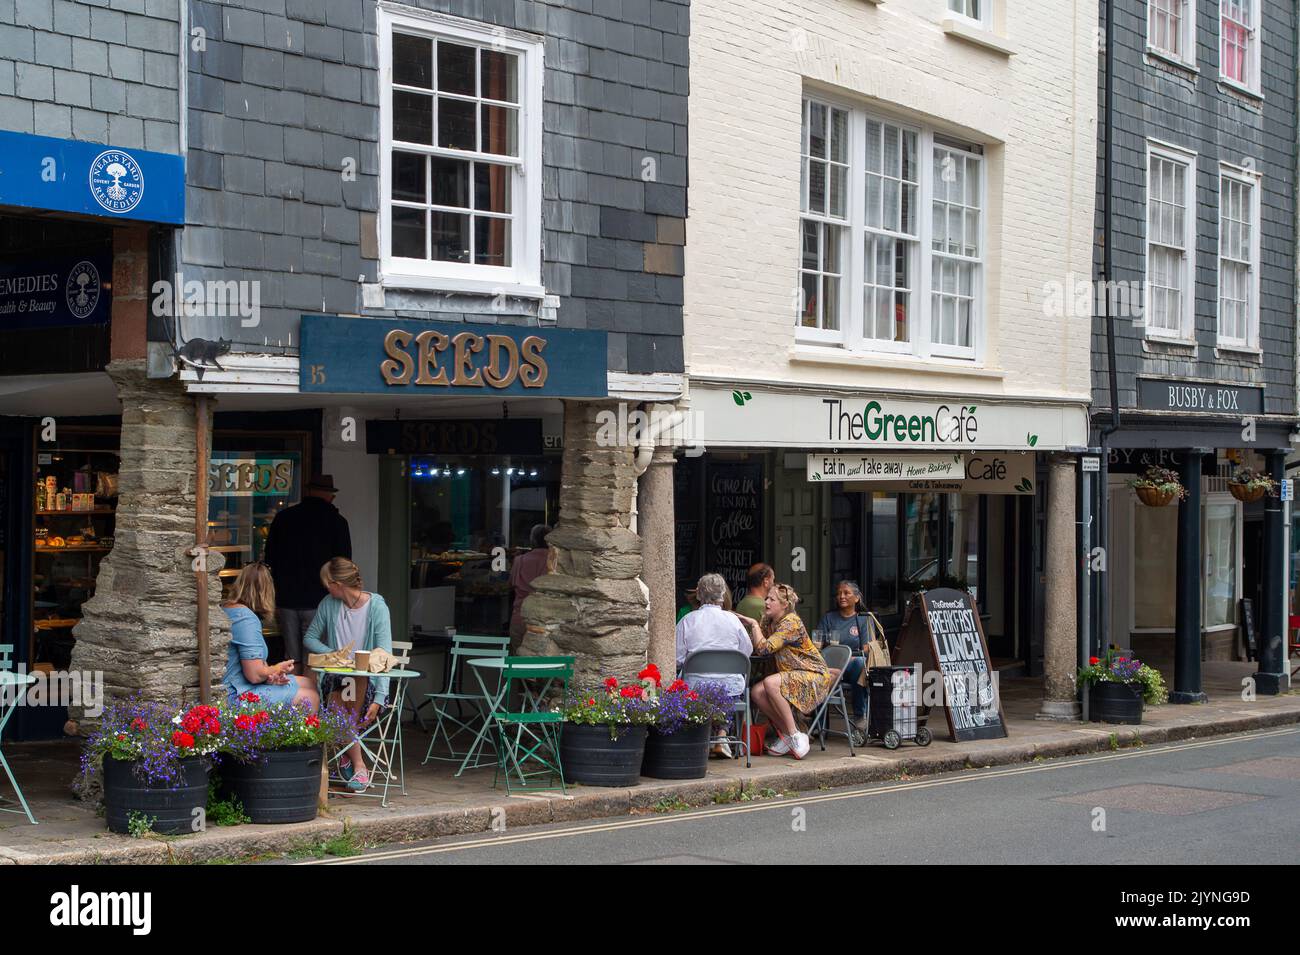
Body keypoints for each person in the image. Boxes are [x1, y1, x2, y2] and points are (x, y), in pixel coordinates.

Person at [302, 558, 393, 793]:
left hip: (368, 683)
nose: (325, 588)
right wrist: (335, 654)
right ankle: (359, 763)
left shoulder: (377, 607)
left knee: (355, 681)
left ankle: (344, 752)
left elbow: (384, 655)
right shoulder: (329, 604)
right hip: (336, 679)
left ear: (337, 584)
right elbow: (310, 638)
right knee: (343, 686)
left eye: (327, 584)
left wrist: (380, 697)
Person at [264, 473, 352, 675]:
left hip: (286, 598)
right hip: (319, 600)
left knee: (291, 660)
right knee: (314, 659)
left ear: (308, 492)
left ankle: (295, 702)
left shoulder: (284, 518)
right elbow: (343, 566)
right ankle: (310, 704)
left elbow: (270, 558)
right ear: (330, 496)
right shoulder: (337, 522)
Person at [736, 582, 834, 760]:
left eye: (771, 599)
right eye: (766, 597)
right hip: (792, 674)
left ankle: (795, 734)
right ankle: (788, 735)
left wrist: (754, 625)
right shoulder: (770, 620)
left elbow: (765, 648)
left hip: (813, 674)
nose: (766, 602)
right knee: (757, 692)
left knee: (770, 683)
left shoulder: (791, 622)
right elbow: (754, 645)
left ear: (784, 605)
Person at [220, 561, 319, 711]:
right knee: (310, 697)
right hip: (237, 693)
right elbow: (254, 675)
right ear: (266, 591)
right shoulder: (246, 619)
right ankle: (301, 734)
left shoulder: (228, 609)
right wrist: (277, 668)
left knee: (309, 683)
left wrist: (271, 677)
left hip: (239, 684)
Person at [675, 573, 752, 756]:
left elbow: (677, 659)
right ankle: (722, 735)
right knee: (729, 687)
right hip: (729, 686)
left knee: (698, 685)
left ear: (699, 595)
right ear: (723, 594)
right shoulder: (733, 620)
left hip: (695, 686)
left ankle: (701, 738)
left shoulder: (688, 620)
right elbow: (746, 653)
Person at [815, 581, 879, 737]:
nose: (841, 596)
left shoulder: (864, 619)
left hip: (852, 667)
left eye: (846, 593)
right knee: (817, 671)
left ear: (856, 598)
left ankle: (859, 716)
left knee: (859, 663)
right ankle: (818, 724)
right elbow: (818, 644)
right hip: (830, 666)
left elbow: (867, 648)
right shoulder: (829, 618)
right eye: (839, 593)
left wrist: (848, 657)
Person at [508, 524, 551, 653]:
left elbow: (510, 584)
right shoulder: (553, 561)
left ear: (532, 540)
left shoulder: (519, 560)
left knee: (516, 660)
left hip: (519, 616)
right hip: (543, 618)